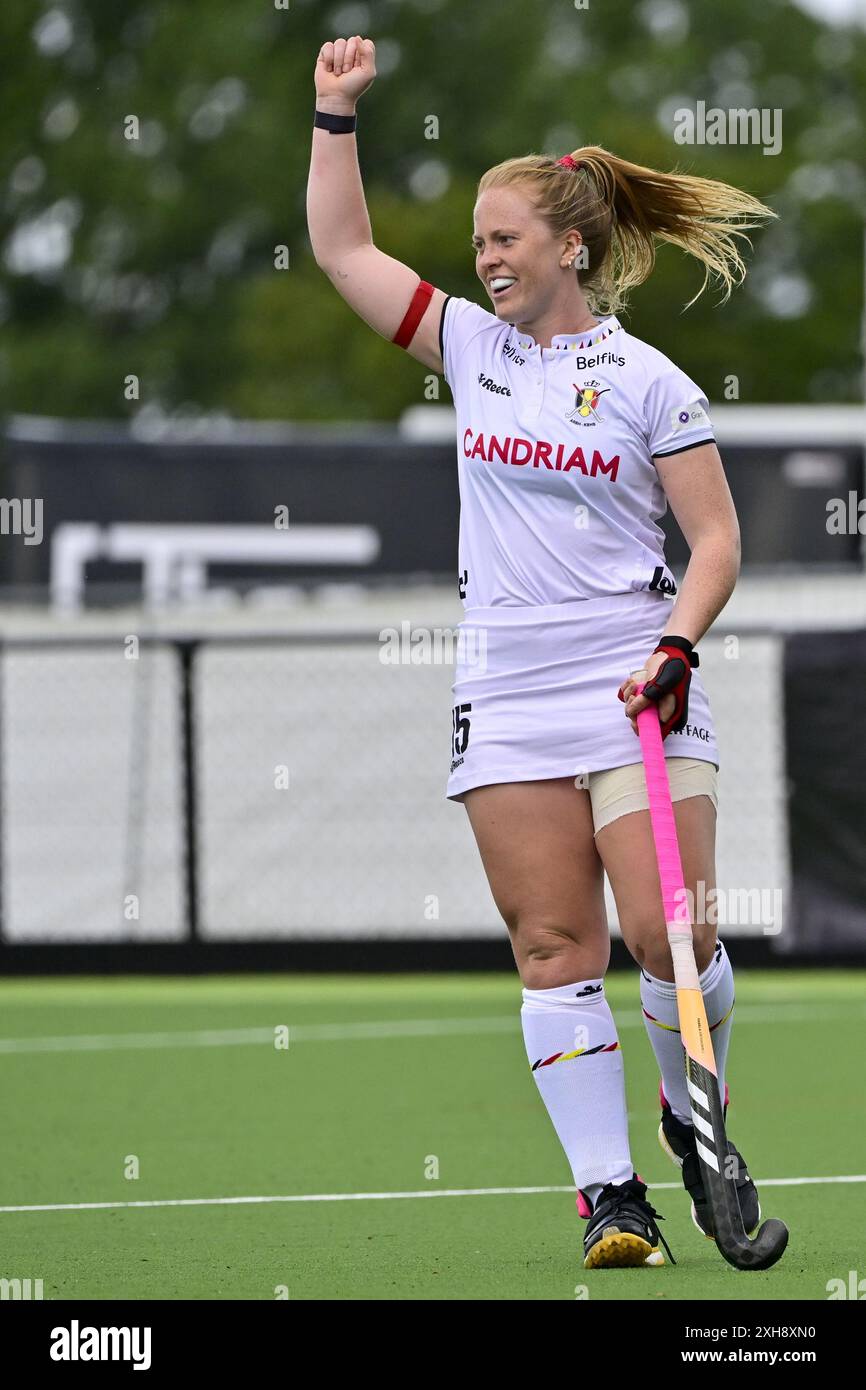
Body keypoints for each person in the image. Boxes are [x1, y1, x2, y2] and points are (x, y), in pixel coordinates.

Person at [307, 35, 777, 1269]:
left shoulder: (651, 382)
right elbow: (344, 252)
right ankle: (610, 1199)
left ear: (569, 245)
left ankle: (695, 1121)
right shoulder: (472, 350)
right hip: (507, 691)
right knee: (551, 949)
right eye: (474, 243)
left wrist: (676, 647)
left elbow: (716, 540)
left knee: (672, 933)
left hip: (635, 681)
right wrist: (334, 117)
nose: (483, 258)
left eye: (503, 237)